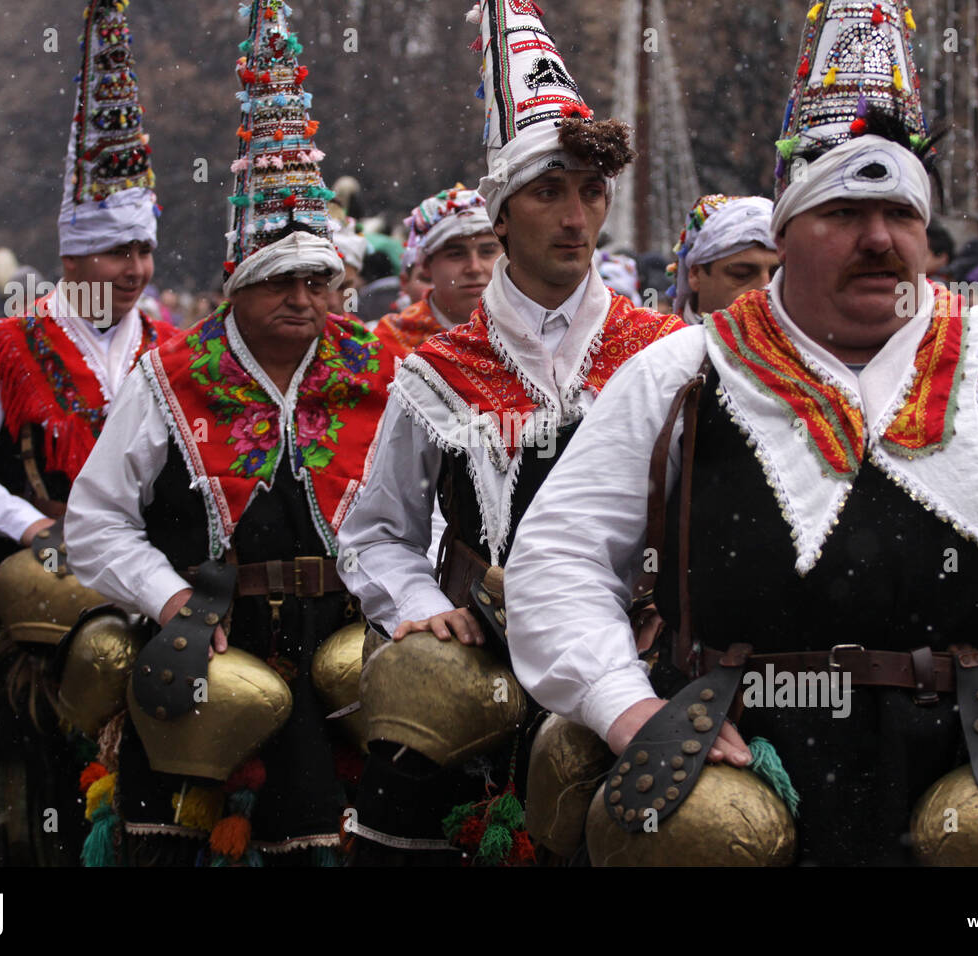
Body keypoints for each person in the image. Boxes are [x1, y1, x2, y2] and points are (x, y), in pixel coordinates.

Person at [502, 0, 978, 866]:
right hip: (743, 762)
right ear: (785, 229)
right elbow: (559, 555)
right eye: (842, 212)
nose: (878, 239)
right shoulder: (683, 372)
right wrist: (624, 703)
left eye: (902, 217)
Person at [336, 0, 681, 864]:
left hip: (643, 664)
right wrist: (420, 608)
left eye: (591, 191)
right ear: (500, 216)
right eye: (549, 192)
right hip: (485, 670)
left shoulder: (672, 354)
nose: (576, 217)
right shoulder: (436, 373)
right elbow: (377, 532)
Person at [64, 1, 395, 865]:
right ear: (236, 283)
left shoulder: (380, 369)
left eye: (316, 278)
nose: (301, 298)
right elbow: (94, 525)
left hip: (343, 664)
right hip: (202, 659)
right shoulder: (171, 375)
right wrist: (168, 596)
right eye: (276, 278)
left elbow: (422, 518)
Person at [0, 0, 176, 866]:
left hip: (154, 579)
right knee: (30, 764)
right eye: (113, 253)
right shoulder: (10, 342)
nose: (132, 270)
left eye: (141, 250)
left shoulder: (173, 347)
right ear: (71, 257)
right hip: (44, 595)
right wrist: (27, 523)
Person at [373, 185, 500, 358]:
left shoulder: (534, 329)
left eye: (487, 252)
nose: (474, 268)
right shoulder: (389, 341)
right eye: (456, 254)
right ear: (426, 265)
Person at [668, 193, 778, 322]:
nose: (765, 288)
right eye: (741, 275)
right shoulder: (662, 341)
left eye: (778, 276)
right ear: (695, 275)